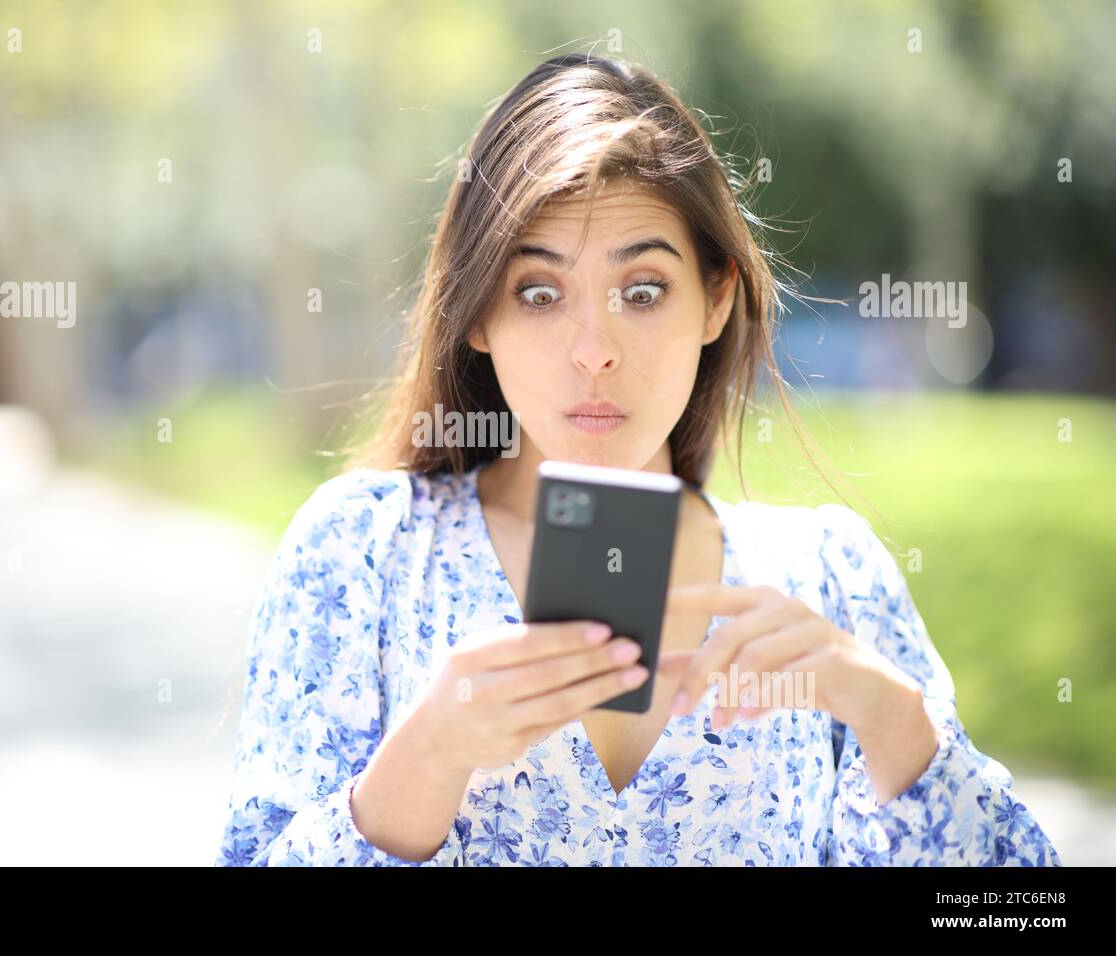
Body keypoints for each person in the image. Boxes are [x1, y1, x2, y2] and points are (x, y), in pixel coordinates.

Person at [215, 54, 1062, 867]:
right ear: (477, 315)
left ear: (715, 298)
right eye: (539, 293)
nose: (594, 351)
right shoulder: (365, 553)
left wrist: (892, 720)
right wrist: (427, 758)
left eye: (644, 290)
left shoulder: (829, 578)